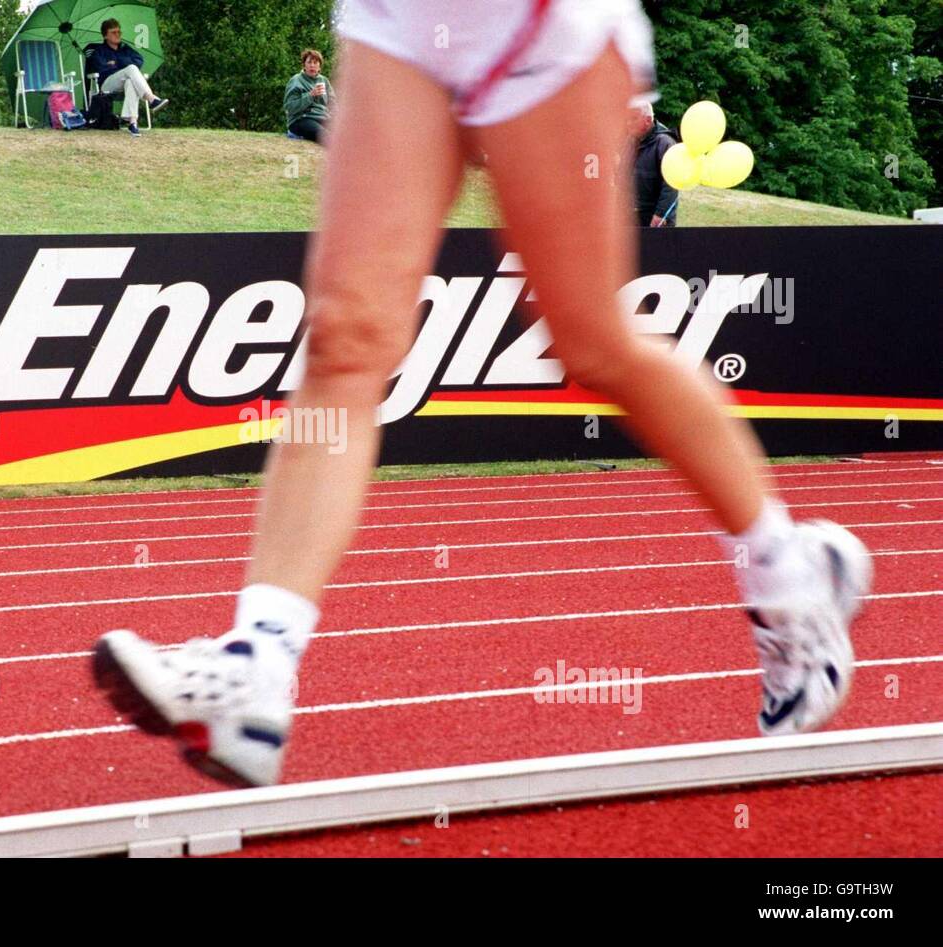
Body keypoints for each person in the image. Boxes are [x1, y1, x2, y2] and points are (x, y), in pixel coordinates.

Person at [94, 0, 872, 787]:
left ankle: (788, 577)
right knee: (346, 332)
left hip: (543, 34)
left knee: (590, 338)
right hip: (399, 24)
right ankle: (260, 660)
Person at [87, 18, 167, 136]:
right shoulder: (99, 51)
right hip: (107, 84)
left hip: (124, 82)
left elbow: (139, 61)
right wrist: (124, 65)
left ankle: (132, 123)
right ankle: (152, 99)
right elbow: (102, 68)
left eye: (119, 32)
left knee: (130, 80)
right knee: (131, 69)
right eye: (113, 32)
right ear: (105, 36)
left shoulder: (125, 48)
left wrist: (116, 62)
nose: (117, 35)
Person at [629, 99, 678, 226]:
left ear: (648, 120)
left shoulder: (665, 143)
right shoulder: (629, 141)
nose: (628, 122)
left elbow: (671, 184)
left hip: (654, 218)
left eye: (633, 118)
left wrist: (660, 215)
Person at [284, 48, 334, 143]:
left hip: (323, 117)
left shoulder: (324, 81)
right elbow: (289, 107)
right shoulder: (296, 81)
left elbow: (332, 104)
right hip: (301, 119)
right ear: (304, 65)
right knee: (325, 136)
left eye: (315, 63)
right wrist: (310, 95)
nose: (312, 65)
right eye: (309, 62)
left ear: (319, 67)